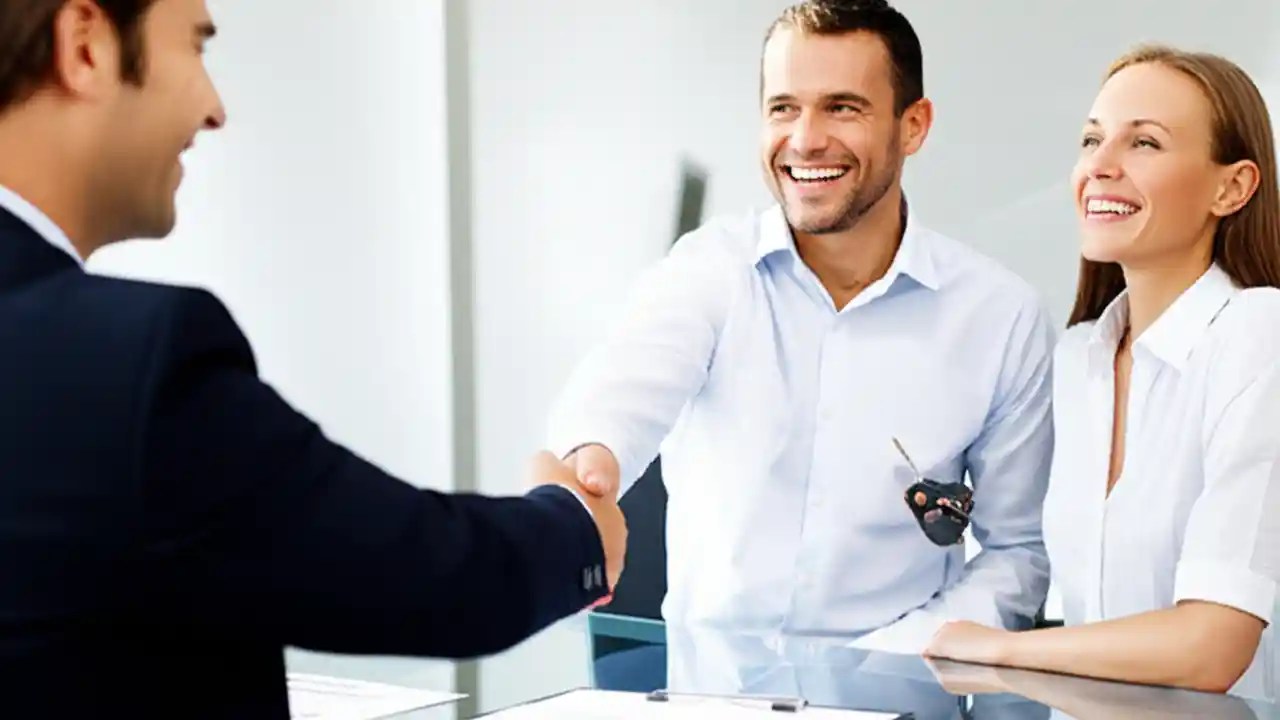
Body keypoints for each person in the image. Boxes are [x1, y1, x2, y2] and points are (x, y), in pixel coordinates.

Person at [0, 0, 626, 716]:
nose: (215, 109)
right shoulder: (133, 361)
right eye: (196, 49)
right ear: (86, 46)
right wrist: (579, 527)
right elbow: (427, 573)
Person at [547, 0, 1055, 645]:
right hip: (707, 701)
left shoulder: (1000, 316)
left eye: (843, 107)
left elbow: (1019, 551)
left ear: (914, 125)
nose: (806, 138)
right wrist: (591, 467)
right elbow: (621, 391)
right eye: (783, 107)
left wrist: (885, 662)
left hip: (897, 698)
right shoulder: (705, 270)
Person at [925, 45, 1280, 701]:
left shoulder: (1258, 334)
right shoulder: (1079, 357)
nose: (1100, 166)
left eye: (1144, 143)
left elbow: (1211, 646)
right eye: (1092, 140)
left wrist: (1000, 649)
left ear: (1231, 187)